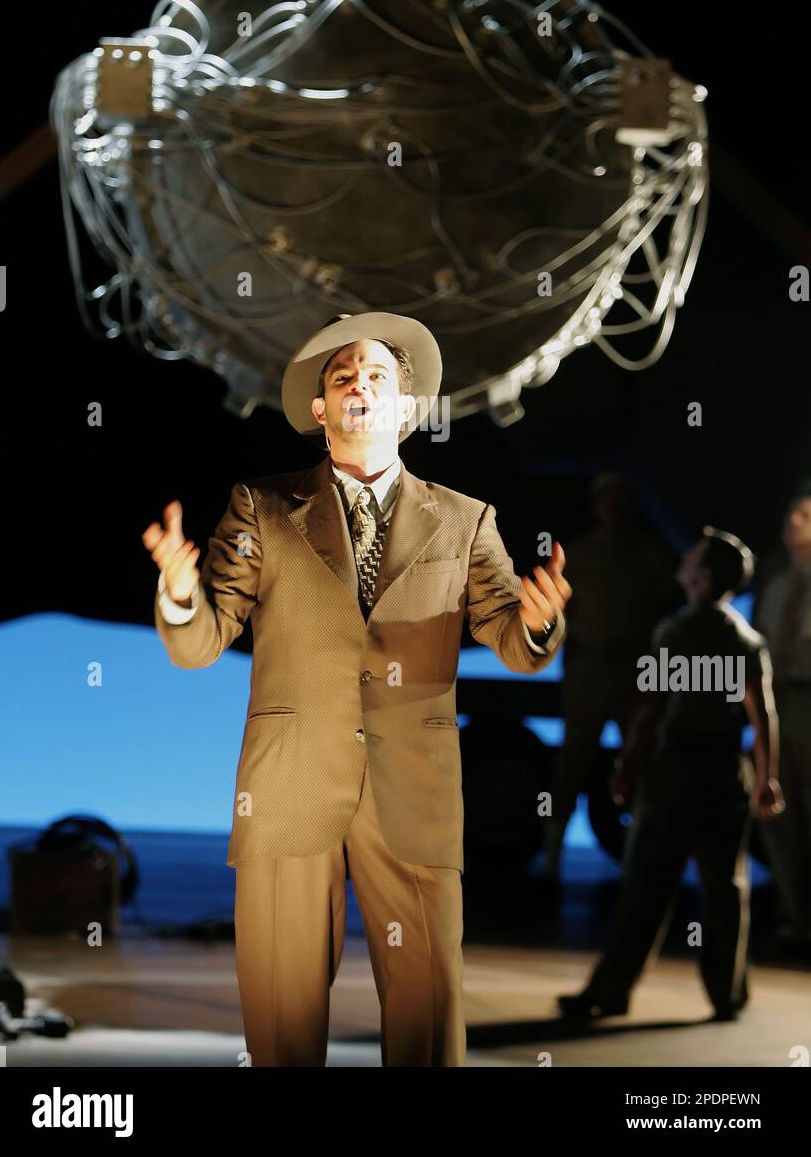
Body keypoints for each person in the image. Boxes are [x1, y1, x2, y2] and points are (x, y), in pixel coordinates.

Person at [142, 311, 572, 1067]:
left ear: (407, 409)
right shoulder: (262, 506)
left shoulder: (466, 522)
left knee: (427, 1014)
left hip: (415, 789)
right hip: (289, 788)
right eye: (344, 378)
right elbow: (204, 641)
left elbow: (511, 639)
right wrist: (181, 596)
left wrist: (537, 625)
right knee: (281, 1017)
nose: (360, 388)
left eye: (378, 377)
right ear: (320, 409)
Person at [557, 526, 783, 1024]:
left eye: (694, 557)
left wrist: (626, 765)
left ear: (702, 578)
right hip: (725, 771)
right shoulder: (746, 639)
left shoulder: (675, 632)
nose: (684, 561)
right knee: (725, 886)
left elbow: (652, 709)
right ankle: (728, 995)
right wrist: (767, 778)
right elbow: (762, 714)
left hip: (674, 771)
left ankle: (612, 990)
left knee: (644, 885)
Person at [540, 472, 679, 878]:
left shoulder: (651, 555)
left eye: (621, 498)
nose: (613, 506)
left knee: (640, 758)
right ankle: (552, 856)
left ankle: (643, 857)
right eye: (607, 498)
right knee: (572, 762)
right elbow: (558, 614)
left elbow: (669, 610)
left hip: (633, 670)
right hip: (588, 671)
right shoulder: (579, 554)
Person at [753, 480, 811, 954]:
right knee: (780, 812)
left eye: (807, 515)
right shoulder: (776, 584)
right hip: (779, 703)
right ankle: (795, 918)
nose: (794, 522)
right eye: (793, 514)